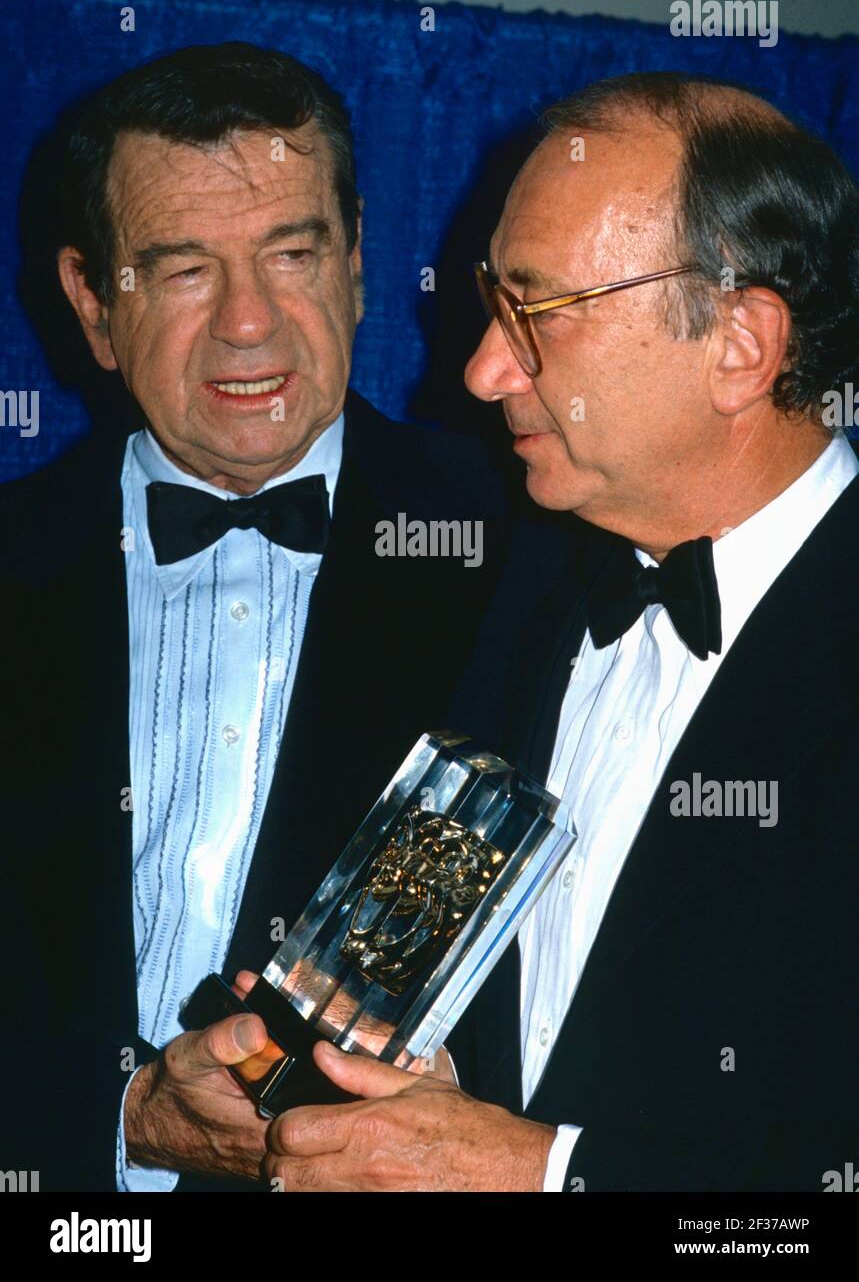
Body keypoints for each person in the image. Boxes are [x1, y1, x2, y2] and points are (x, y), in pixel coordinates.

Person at [256, 71, 859, 1192]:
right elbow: (424, 1004)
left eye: (535, 314)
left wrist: (545, 1181)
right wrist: (286, 1067)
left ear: (740, 345)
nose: (483, 370)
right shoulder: (521, 581)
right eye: (493, 306)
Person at [0, 42, 506, 1191]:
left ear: (359, 262)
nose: (246, 323)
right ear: (92, 303)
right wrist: (115, 1113)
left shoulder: (531, 547)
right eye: (183, 270)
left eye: (290, 254)